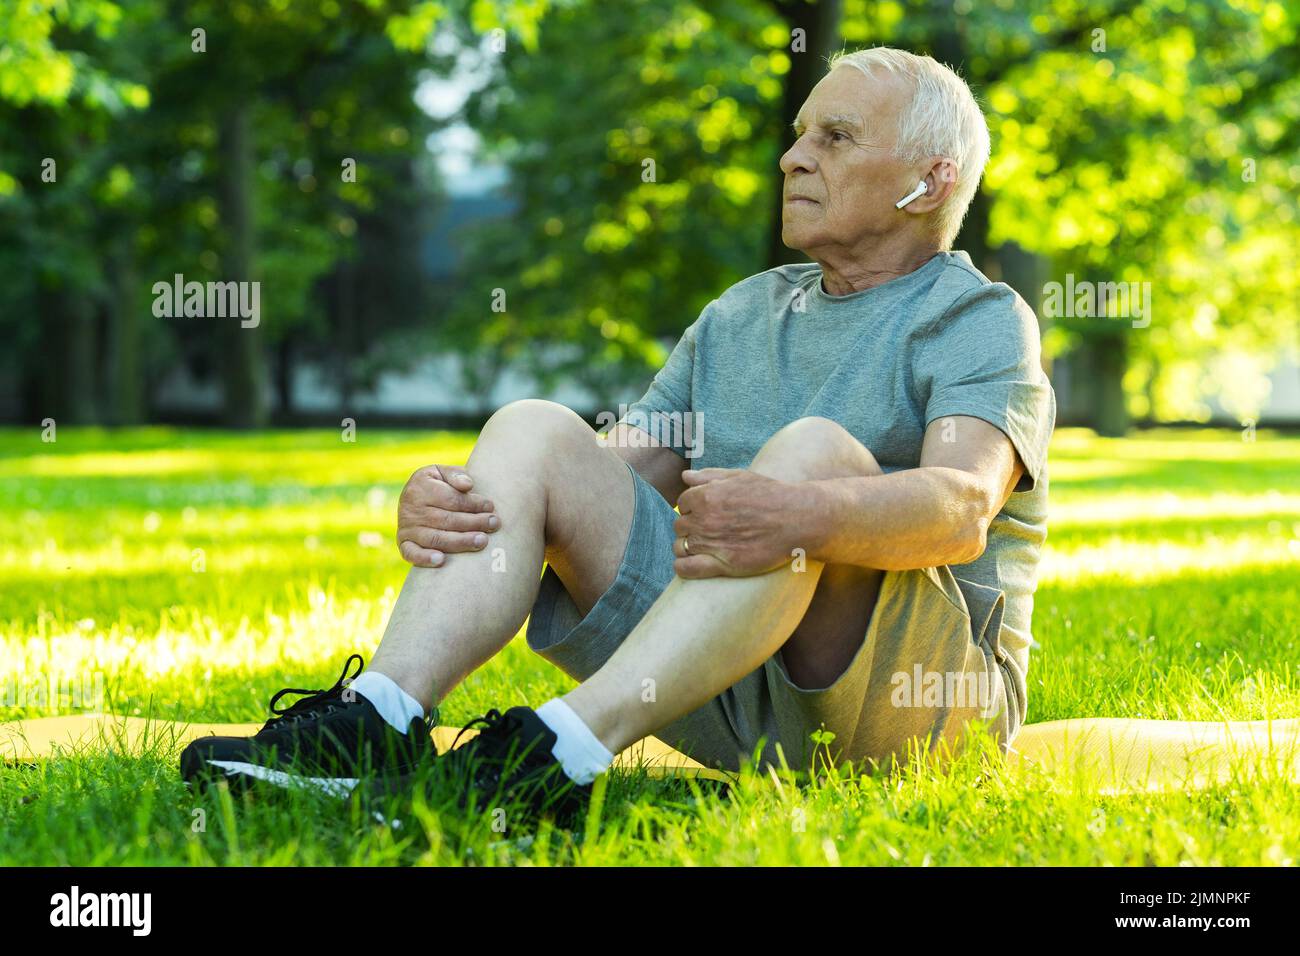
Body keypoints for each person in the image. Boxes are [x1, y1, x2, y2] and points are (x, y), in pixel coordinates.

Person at [181, 47, 1056, 827]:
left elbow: (960, 508)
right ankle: (379, 720)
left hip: (919, 715)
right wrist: (470, 502)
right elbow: (605, 479)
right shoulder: (742, 313)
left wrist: (800, 514)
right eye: (798, 135)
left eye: (835, 137)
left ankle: (557, 754)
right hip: (728, 690)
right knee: (531, 432)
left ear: (931, 182)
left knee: (811, 455)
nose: (793, 156)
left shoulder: (978, 317)